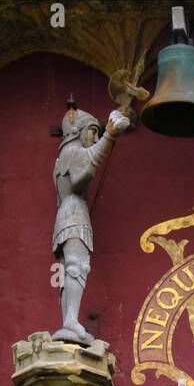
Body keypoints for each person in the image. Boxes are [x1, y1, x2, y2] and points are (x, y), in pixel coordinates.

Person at [52, 100, 131, 344]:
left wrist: (108, 135)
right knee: (77, 266)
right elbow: (83, 172)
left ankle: (70, 320)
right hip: (73, 212)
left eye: (97, 133)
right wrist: (110, 134)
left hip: (71, 212)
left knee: (72, 268)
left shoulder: (67, 155)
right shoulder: (71, 153)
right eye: (92, 131)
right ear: (76, 131)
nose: (95, 138)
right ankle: (71, 320)